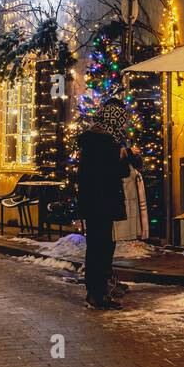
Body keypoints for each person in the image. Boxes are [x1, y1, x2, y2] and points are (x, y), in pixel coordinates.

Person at [76, 98, 130, 310]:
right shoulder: (107, 144)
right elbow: (116, 173)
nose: (123, 125)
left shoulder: (92, 141)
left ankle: (95, 290)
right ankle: (97, 293)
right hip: (102, 203)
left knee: (98, 247)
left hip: (93, 203)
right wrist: (123, 157)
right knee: (102, 247)